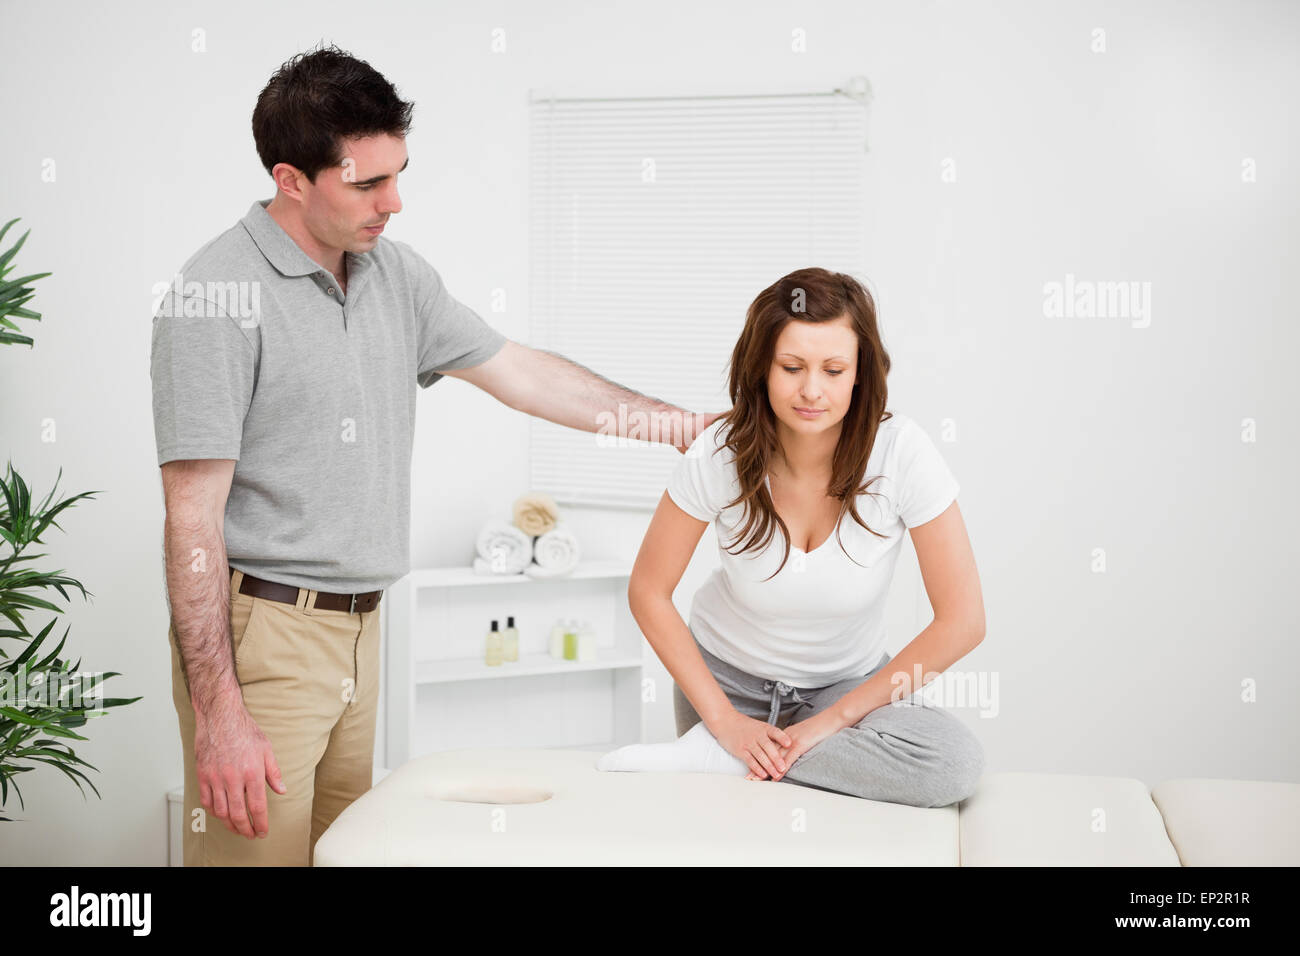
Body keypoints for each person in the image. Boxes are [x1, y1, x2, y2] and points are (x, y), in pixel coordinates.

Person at [151, 43, 720, 866]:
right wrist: (219, 713)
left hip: (361, 629)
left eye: (399, 174)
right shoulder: (215, 298)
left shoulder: (394, 276)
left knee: (344, 856)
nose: (395, 202)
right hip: (265, 635)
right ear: (291, 179)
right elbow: (191, 521)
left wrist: (683, 426)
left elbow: (524, 375)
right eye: (367, 182)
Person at [597, 267, 987, 808]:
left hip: (846, 688)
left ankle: (720, 761)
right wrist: (726, 722)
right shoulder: (720, 453)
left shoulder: (903, 453)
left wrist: (834, 721)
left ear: (860, 374)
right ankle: (724, 746)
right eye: (791, 367)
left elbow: (963, 621)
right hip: (725, 689)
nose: (811, 390)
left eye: (833, 370)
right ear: (761, 368)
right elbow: (648, 590)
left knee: (950, 765)